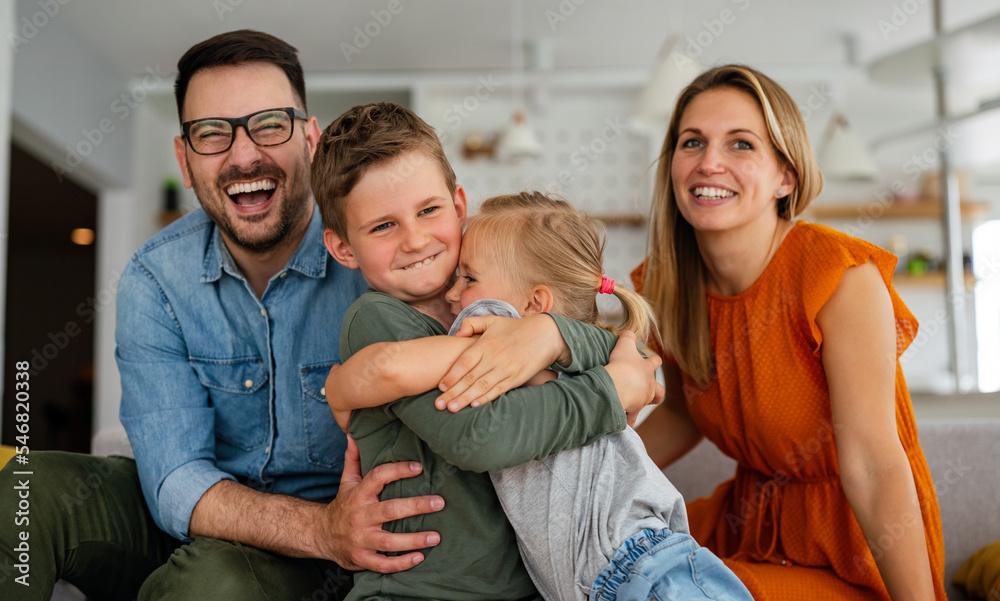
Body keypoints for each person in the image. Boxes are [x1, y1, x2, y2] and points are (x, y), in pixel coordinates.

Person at [0, 30, 571, 601]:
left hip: (337, 540)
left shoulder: (387, 246)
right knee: (28, 488)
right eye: (212, 133)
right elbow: (175, 478)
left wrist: (555, 334)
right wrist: (321, 531)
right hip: (231, 519)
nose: (243, 154)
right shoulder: (155, 279)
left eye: (269, 124)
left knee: (213, 582)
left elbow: (543, 304)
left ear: (310, 137)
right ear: (184, 156)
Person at [311, 102, 665, 601]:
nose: (414, 240)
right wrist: (607, 391)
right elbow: (480, 440)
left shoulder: (503, 301)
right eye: (382, 227)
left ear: (458, 205)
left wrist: (551, 335)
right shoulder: (378, 322)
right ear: (344, 247)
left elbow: (650, 374)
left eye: (428, 210)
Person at [329, 190, 756, 601]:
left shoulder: (495, 325)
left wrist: (346, 386)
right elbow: (634, 357)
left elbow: (401, 369)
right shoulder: (580, 353)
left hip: (643, 565)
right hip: (617, 575)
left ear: (534, 304)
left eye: (470, 277)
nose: (453, 294)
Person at [631, 64, 947, 600]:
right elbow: (683, 411)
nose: (710, 162)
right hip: (752, 527)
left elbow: (873, 464)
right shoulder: (665, 285)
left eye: (740, 145)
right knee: (601, 566)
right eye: (692, 142)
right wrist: (585, 481)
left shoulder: (837, 275)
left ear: (787, 176)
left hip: (854, 554)